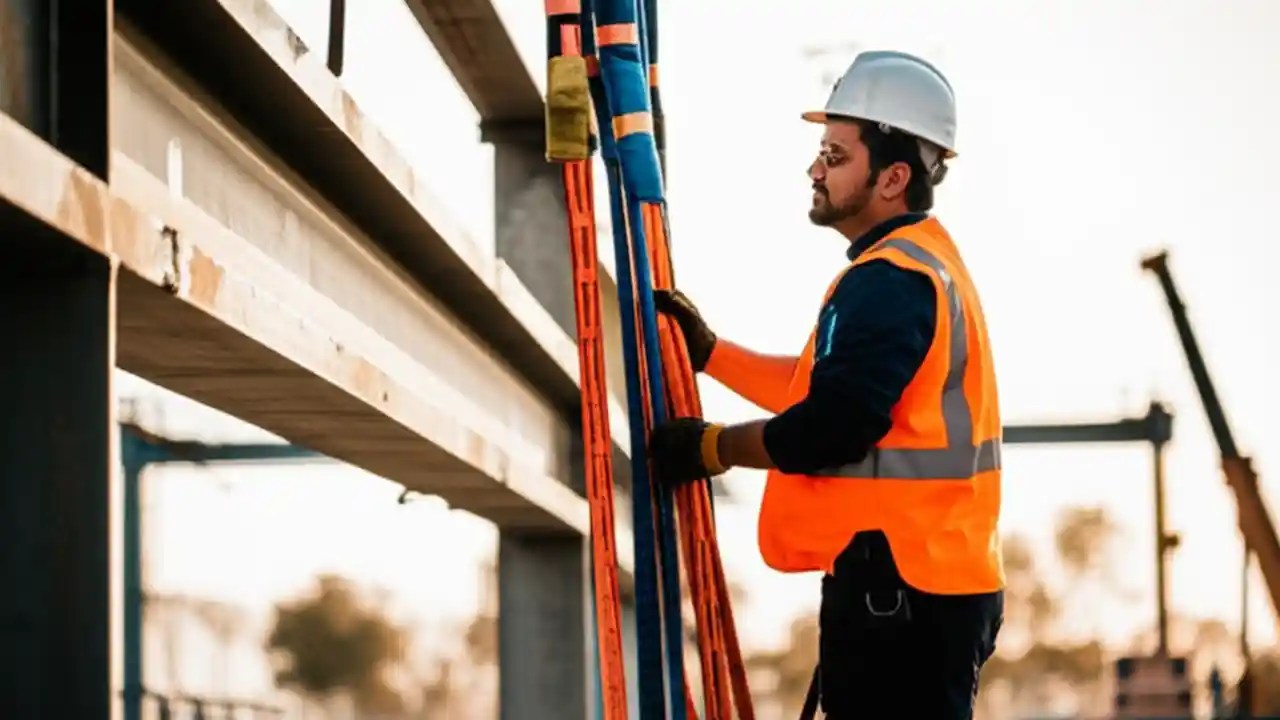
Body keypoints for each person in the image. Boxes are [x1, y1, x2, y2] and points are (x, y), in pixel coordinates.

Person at [648, 50, 1005, 718]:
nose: (814, 170)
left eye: (836, 157)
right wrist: (712, 355)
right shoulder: (917, 265)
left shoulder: (890, 279)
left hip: (902, 592)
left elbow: (831, 427)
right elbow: (817, 389)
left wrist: (711, 449)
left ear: (894, 176)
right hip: (920, 582)